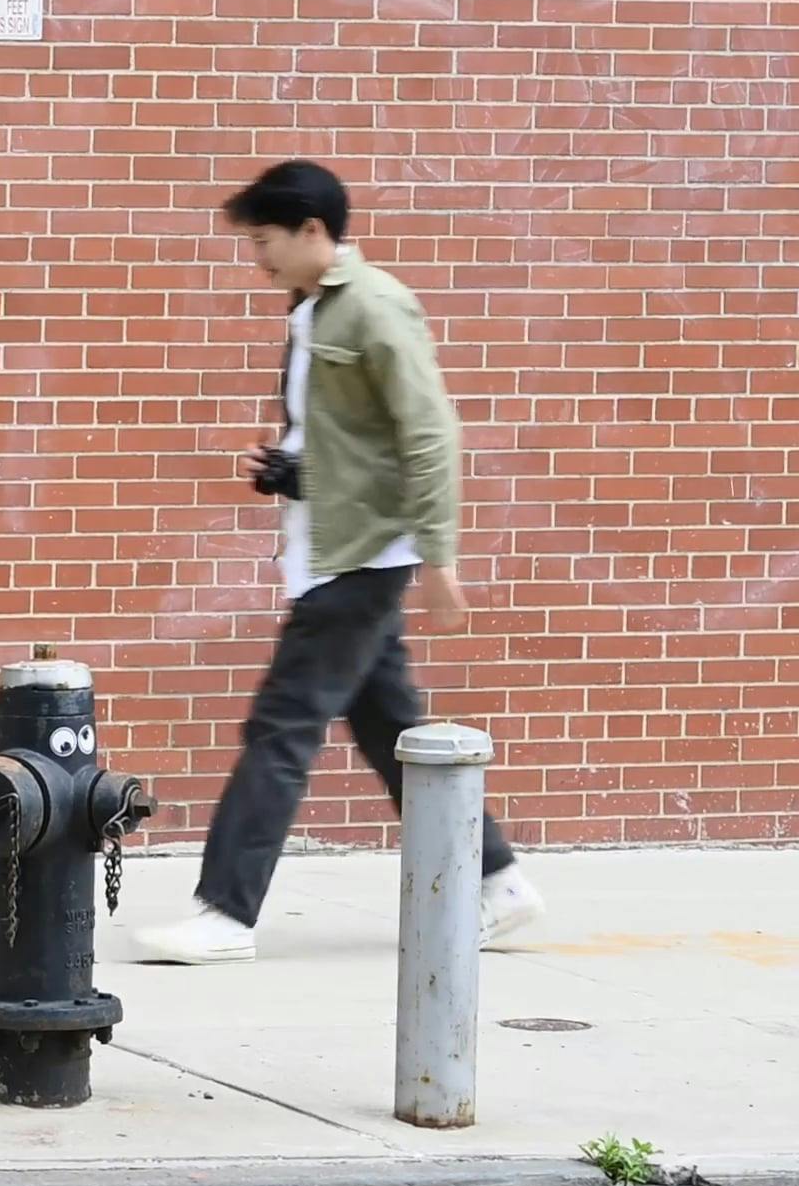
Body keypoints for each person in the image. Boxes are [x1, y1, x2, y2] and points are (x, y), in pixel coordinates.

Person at [131, 159, 539, 965]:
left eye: (266, 240)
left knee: (281, 727)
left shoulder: (376, 307)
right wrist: (290, 464)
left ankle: (226, 914)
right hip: (333, 547)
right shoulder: (313, 309)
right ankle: (498, 881)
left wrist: (440, 559)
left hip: (363, 557)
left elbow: (429, 433)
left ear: (312, 229)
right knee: (389, 728)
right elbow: (350, 440)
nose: (258, 257)